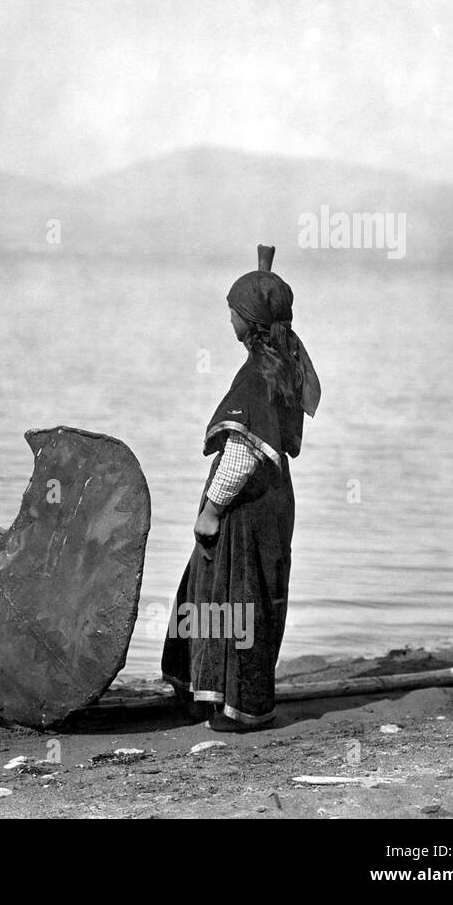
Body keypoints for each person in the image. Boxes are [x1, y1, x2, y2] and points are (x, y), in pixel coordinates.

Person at [161, 246, 321, 731]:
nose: (226, 317)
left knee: (237, 601)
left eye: (232, 311)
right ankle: (214, 694)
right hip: (274, 502)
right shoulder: (284, 362)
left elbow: (241, 452)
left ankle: (243, 710)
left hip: (244, 507)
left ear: (246, 321)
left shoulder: (256, 378)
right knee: (235, 599)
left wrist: (210, 509)